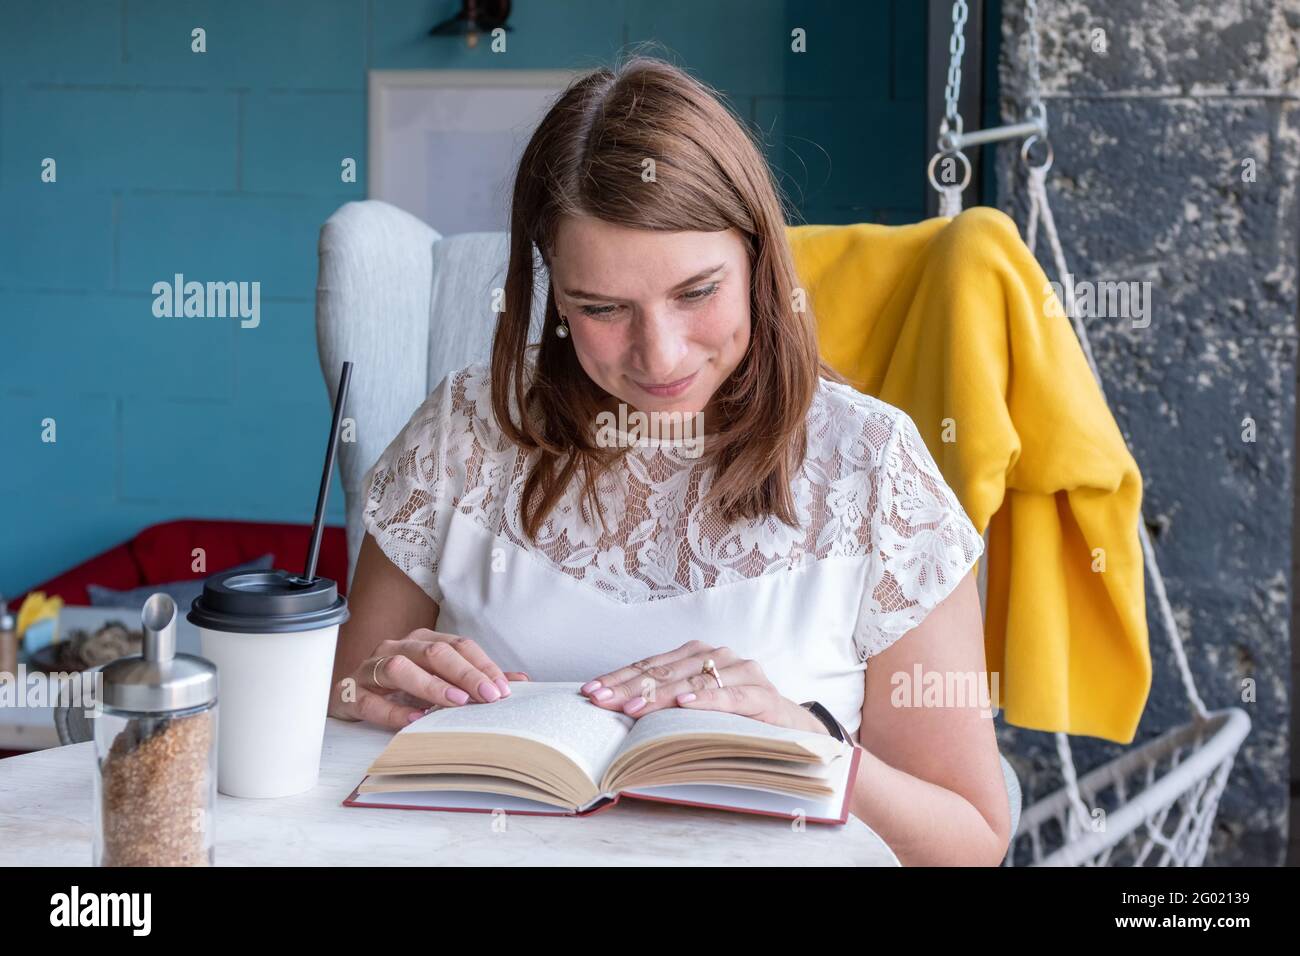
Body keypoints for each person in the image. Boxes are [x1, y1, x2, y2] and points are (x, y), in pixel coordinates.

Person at [329, 53, 1010, 866]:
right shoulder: (463, 433)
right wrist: (384, 681)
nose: (660, 355)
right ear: (550, 291)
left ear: (759, 258)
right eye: (602, 308)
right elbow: (343, 708)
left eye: (696, 293)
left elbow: (971, 841)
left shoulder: (873, 466)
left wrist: (811, 745)